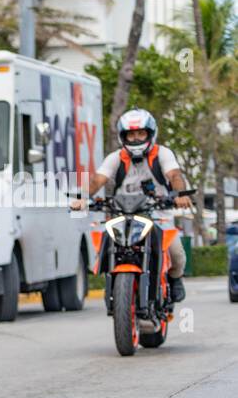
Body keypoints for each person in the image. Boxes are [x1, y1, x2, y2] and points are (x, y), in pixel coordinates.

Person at [76, 109, 191, 303]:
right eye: (131, 134)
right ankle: (112, 282)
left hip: (158, 215)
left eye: (140, 134)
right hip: (124, 215)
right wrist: (82, 197)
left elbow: (174, 175)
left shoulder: (163, 153)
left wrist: (179, 194)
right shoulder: (116, 158)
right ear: (123, 136)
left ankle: (175, 279)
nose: (136, 139)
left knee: (176, 252)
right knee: (106, 239)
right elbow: (98, 180)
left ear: (150, 134)